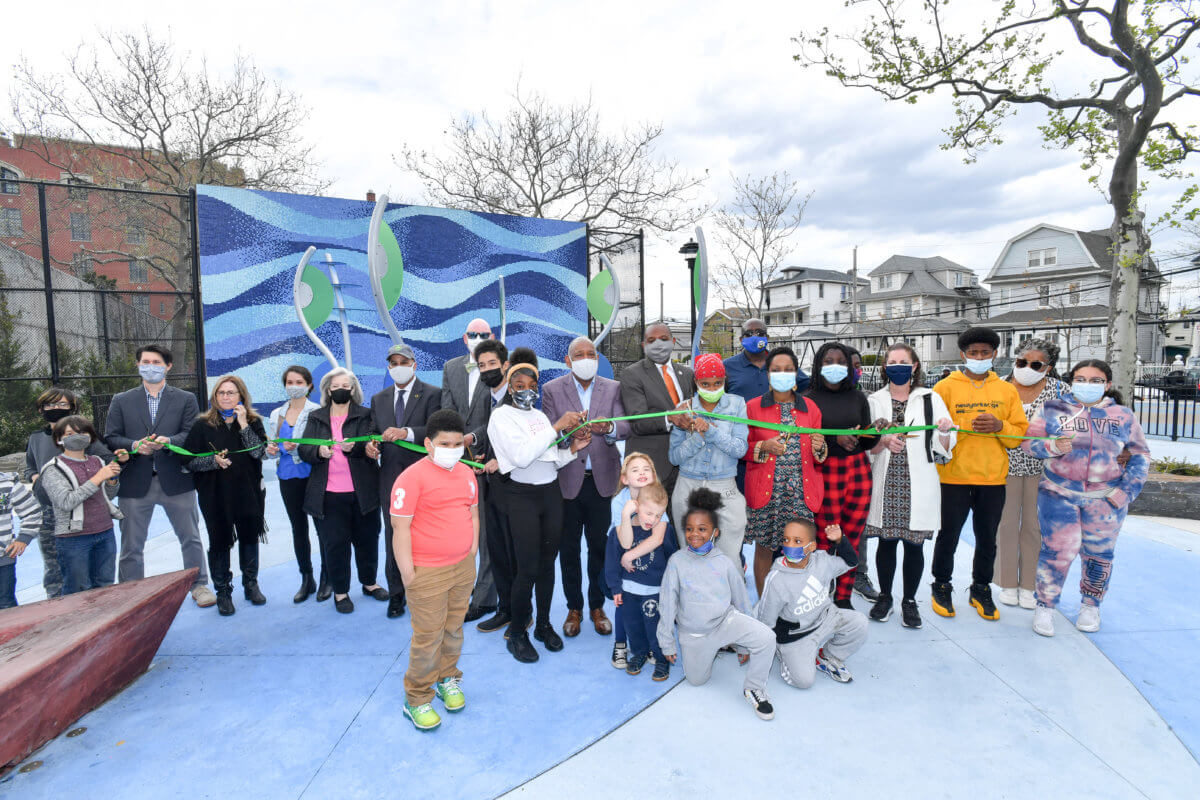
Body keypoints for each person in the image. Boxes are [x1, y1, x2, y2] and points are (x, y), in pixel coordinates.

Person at [1023, 359, 1150, 637]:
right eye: (1081, 379)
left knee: (1099, 554)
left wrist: (1126, 492)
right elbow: (1028, 443)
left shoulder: (1123, 415)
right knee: (1057, 551)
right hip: (1058, 494)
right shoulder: (1053, 409)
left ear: (1107, 384)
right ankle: (1045, 606)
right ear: (1072, 381)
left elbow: (1140, 454)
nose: (1087, 385)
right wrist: (1052, 446)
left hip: (1105, 498)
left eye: (1095, 381)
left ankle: (1091, 605)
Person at [487, 352, 589, 663]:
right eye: (519, 385)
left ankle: (543, 625)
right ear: (509, 387)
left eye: (532, 386)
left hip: (550, 494)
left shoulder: (540, 417)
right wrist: (557, 426)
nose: (526, 391)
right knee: (527, 568)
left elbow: (550, 459)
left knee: (547, 565)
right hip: (522, 497)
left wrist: (573, 449)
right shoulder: (501, 417)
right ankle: (518, 632)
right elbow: (521, 457)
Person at [104, 344, 214, 606]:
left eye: (156, 362)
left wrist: (169, 441)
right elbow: (111, 436)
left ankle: (199, 585)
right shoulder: (121, 400)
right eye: (145, 362)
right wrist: (134, 445)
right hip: (135, 483)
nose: (150, 367)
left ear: (168, 366)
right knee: (131, 545)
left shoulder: (185, 399)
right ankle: (131, 594)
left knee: (190, 538)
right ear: (138, 364)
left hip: (176, 480)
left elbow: (192, 434)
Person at [390, 409, 479, 731]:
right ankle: (417, 698)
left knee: (453, 628)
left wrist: (472, 551)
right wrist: (408, 574)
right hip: (426, 572)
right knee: (428, 637)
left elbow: (472, 514)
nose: (452, 449)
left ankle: (447, 677)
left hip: (462, 568)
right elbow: (400, 529)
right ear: (428, 444)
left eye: (457, 444)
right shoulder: (410, 478)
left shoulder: (467, 473)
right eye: (444, 444)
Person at [931, 327, 1029, 621]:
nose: (978, 357)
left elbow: (1017, 436)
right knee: (948, 535)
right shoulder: (944, 388)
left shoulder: (1007, 390)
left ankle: (981, 588)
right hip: (953, 477)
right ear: (963, 355)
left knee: (987, 538)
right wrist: (956, 427)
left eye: (984, 353)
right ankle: (941, 585)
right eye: (973, 353)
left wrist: (1000, 426)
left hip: (992, 478)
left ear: (994, 354)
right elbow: (933, 432)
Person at [656, 488, 777, 721]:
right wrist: (667, 642)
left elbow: (741, 600)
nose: (695, 534)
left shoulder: (725, 562)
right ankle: (711, 651)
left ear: (715, 532)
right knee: (696, 681)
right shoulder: (676, 562)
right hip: (694, 634)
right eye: (689, 529)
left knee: (767, 638)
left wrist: (743, 646)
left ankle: (754, 688)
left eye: (702, 529)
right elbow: (667, 604)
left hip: (724, 623)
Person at [864, 344, 956, 629]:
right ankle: (885, 597)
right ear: (885, 367)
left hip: (918, 483)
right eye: (892, 361)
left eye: (903, 361)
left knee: (914, 546)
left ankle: (910, 601)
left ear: (914, 366)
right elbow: (866, 445)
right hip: (886, 482)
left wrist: (944, 431)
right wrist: (883, 442)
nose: (898, 366)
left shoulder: (930, 398)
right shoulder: (874, 400)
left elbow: (945, 446)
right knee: (886, 543)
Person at [543, 336, 629, 638]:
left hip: (602, 483)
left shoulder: (613, 387)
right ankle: (574, 608)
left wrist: (609, 428)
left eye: (591, 354)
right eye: (579, 354)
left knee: (600, 549)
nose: (586, 359)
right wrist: (567, 431)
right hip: (566, 483)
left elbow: (626, 425)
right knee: (568, 549)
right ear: (568, 361)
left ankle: (596, 606)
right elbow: (547, 435)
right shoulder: (551, 390)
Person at [298, 368, 385, 614]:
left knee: (368, 540)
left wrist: (356, 448)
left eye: (346, 386)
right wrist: (318, 452)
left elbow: (374, 445)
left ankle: (369, 583)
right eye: (336, 386)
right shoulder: (316, 417)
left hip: (363, 492)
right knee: (335, 544)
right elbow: (304, 449)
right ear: (328, 389)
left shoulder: (366, 415)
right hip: (329, 495)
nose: (341, 390)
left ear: (353, 389)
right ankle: (341, 592)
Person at [744, 347, 828, 597]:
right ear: (768, 374)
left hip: (801, 492)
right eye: (776, 370)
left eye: (788, 369)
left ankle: (794, 606)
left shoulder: (811, 408)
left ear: (796, 373)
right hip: (767, 491)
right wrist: (762, 446)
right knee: (764, 550)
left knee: (798, 550)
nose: (782, 374)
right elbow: (741, 447)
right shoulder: (752, 407)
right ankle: (765, 604)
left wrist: (819, 447)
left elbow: (819, 452)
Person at [182, 375, 269, 616]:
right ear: (215, 397)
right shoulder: (202, 426)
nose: (226, 397)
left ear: (241, 396)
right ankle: (223, 591)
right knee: (219, 540)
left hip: (248, 491)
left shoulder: (253, 421)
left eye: (231, 392)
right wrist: (213, 461)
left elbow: (259, 453)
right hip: (215, 494)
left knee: (249, 536)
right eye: (221, 393)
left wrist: (243, 424)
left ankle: (251, 585)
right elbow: (187, 461)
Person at [367, 343, 441, 619]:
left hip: (424, 479)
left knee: (426, 537)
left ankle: (428, 591)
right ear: (389, 367)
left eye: (403, 362)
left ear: (414, 365)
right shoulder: (379, 399)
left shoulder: (433, 394)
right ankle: (397, 595)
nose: (398, 367)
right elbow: (373, 433)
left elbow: (436, 430)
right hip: (390, 480)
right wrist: (370, 446)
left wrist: (406, 432)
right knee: (394, 538)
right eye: (393, 363)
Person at [805, 342, 880, 607]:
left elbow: (868, 442)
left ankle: (844, 597)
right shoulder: (807, 399)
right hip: (824, 472)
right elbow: (804, 440)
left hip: (858, 472)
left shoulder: (858, 397)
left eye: (841, 362)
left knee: (852, 537)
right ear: (818, 365)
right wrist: (835, 439)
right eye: (828, 361)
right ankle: (820, 597)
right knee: (825, 538)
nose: (834, 366)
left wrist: (874, 431)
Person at [755, 519, 868, 687]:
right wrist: (767, 645)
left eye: (797, 541)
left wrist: (841, 540)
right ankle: (784, 653)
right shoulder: (777, 579)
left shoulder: (822, 561)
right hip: (796, 634)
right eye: (786, 540)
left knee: (859, 623)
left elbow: (851, 562)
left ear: (812, 546)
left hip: (824, 617)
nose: (789, 545)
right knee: (804, 681)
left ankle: (828, 656)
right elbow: (766, 620)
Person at [997, 338, 1066, 610]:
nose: (1027, 368)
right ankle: (1007, 583)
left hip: (1044, 469)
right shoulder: (1000, 387)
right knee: (1005, 525)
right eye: (1021, 362)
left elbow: (1075, 425)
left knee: (1035, 527)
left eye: (1036, 365)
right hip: (1005, 466)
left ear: (1048, 367)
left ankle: (1028, 585)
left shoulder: (1061, 391)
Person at [25, 387, 113, 598]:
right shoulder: (36, 438)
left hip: (81, 510)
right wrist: (36, 479)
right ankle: (57, 607)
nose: (56, 408)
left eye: (62, 404)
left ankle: (94, 604)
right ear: (41, 409)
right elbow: (30, 466)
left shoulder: (85, 437)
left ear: (72, 408)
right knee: (54, 565)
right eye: (50, 405)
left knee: (84, 566)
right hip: (48, 510)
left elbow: (107, 460)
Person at [442, 321, 501, 624]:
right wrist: (455, 448)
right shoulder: (450, 367)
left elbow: (497, 416)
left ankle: (485, 598)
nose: (478, 339)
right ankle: (459, 590)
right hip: (456, 463)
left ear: (493, 337)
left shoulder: (498, 369)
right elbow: (447, 411)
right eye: (473, 334)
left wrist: (475, 441)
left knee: (486, 534)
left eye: (484, 335)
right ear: (464, 337)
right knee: (457, 533)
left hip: (487, 462)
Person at [668, 353, 749, 565]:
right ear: (696, 382)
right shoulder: (684, 408)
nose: (712, 389)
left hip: (725, 486)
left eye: (717, 383)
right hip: (687, 486)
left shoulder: (737, 405)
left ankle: (731, 588)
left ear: (724, 381)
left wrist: (711, 432)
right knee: (690, 555)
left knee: (729, 557)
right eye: (705, 384)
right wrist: (698, 438)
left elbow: (740, 449)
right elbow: (674, 457)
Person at [265, 366, 328, 603]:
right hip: (287, 477)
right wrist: (272, 449)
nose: (293, 386)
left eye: (299, 382)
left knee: (322, 529)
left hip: (313, 476)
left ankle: (327, 577)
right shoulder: (276, 414)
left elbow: (322, 445)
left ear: (309, 385)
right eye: (289, 382)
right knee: (298, 529)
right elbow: (273, 447)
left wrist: (298, 447)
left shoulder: (318, 412)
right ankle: (307, 579)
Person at [39, 416, 122, 596]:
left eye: (82, 432)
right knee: (78, 590)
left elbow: (106, 496)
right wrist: (98, 478)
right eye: (69, 434)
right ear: (59, 439)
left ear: (90, 437)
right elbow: (66, 502)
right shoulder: (53, 469)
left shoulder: (97, 461)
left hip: (105, 531)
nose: (77, 436)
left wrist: (112, 481)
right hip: (74, 538)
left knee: (105, 584)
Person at [605, 481, 676, 681]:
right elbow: (612, 560)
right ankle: (639, 653)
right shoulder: (620, 531)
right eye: (649, 513)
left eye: (658, 515)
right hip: (628, 592)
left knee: (655, 628)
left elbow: (673, 559)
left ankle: (661, 659)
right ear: (636, 506)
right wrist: (615, 587)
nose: (653, 520)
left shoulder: (665, 532)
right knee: (633, 626)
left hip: (654, 592)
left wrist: (672, 588)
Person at [619, 323, 695, 495]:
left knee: (682, 512)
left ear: (673, 342)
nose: (658, 344)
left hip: (684, 465)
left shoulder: (687, 374)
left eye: (663, 338)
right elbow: (638, 420)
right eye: (651, 340)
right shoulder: (632, 374)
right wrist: (670, 418)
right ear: (644, 345)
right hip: (651, 466)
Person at [469, 338, 513, 633]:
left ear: (505, 365)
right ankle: (504, 608)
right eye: (482, 365)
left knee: (515, 552)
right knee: (495, 548)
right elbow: (490, 430)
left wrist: (502, 460)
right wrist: (475, 444)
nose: (487, 370)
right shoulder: (487, 397)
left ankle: (520, 613)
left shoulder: (520, 392)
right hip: (490, 485)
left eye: (492, 364)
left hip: (517, 486)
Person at [1, 468, 43, 609]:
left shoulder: (8, 484)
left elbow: (33, 511)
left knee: (6, 606)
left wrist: (23, 538)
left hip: (3, 561)